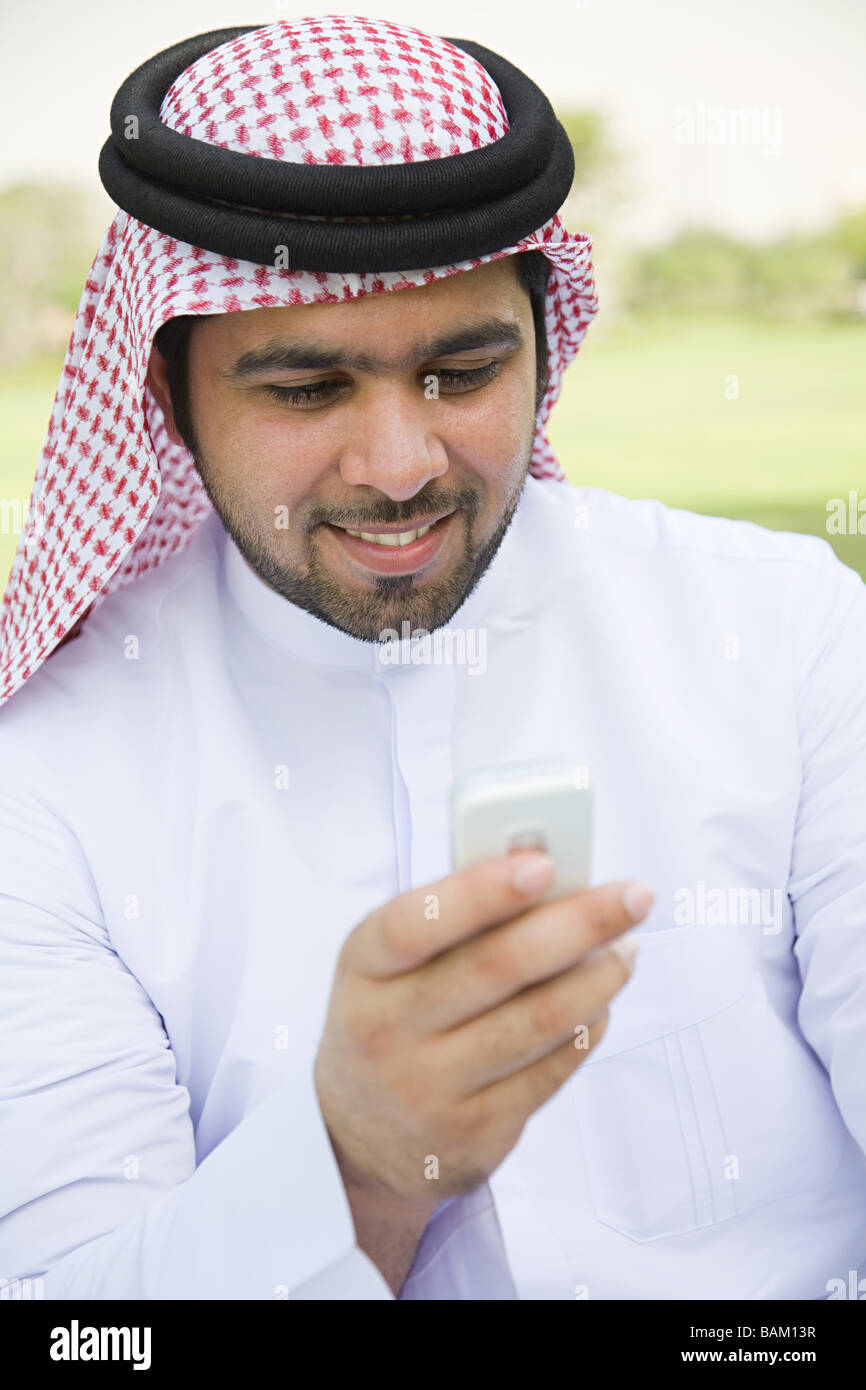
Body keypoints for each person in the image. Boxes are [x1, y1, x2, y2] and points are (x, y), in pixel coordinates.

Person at [1, 14, 865, 1302]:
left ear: (546, 348)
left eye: (464, 371)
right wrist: (356, 1160)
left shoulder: (786, 635)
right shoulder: (49, 776)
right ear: (170, 397)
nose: (400, 467)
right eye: (306, 391)